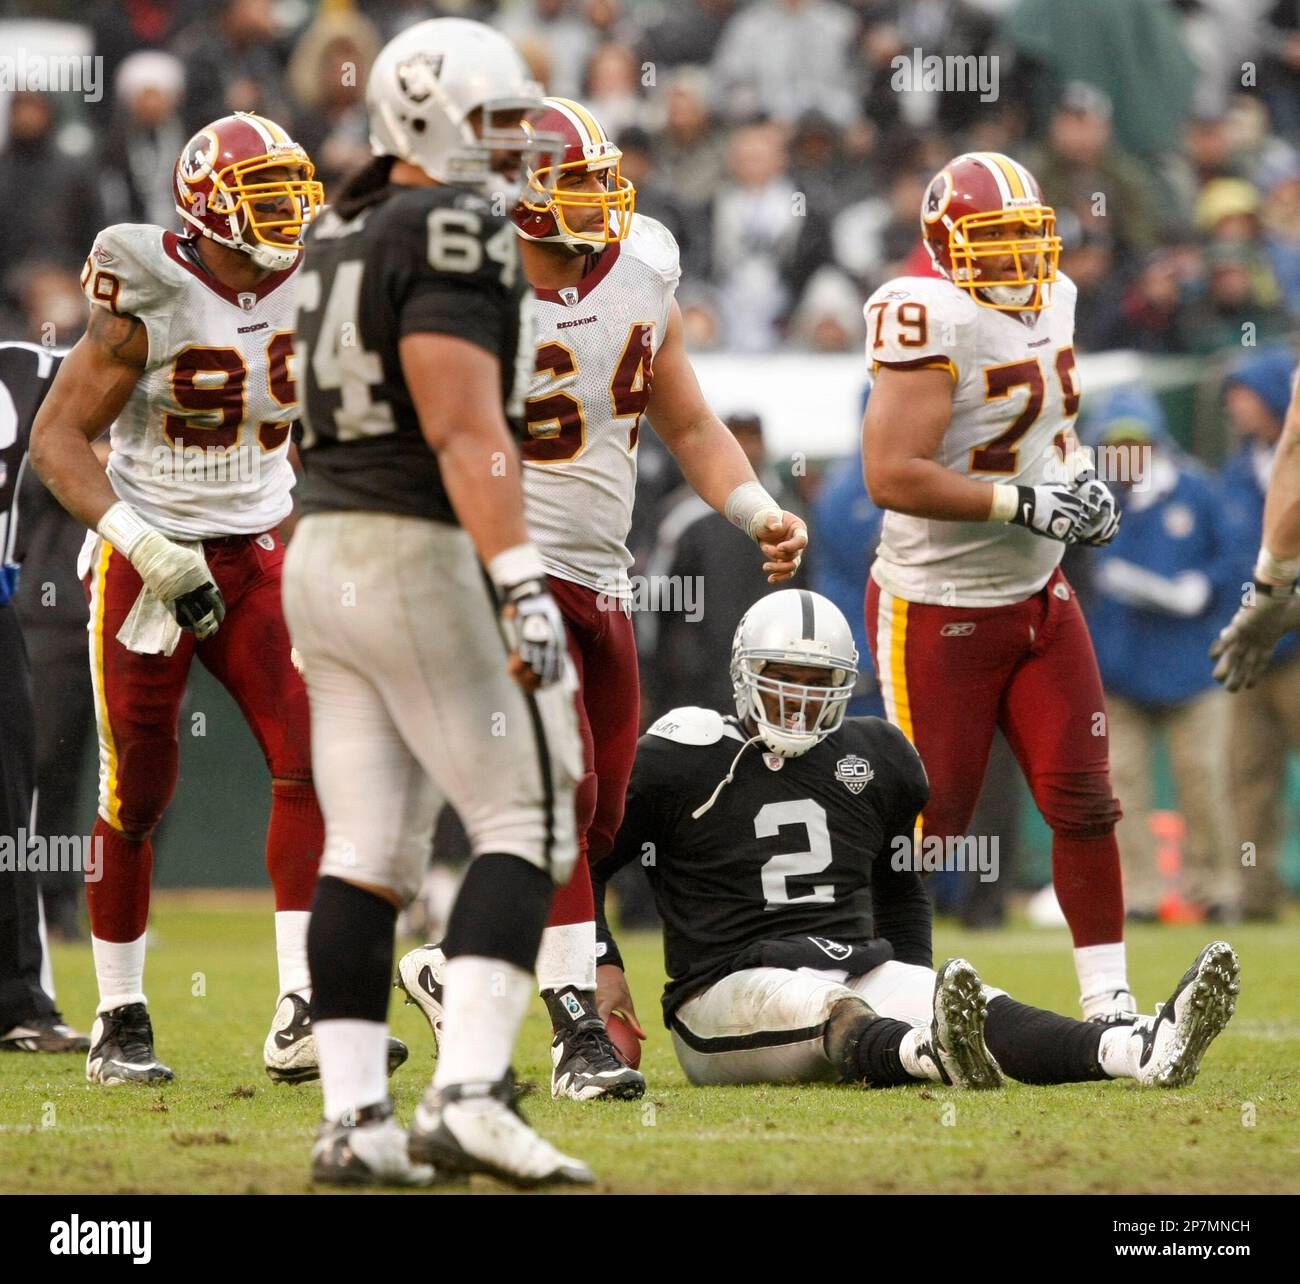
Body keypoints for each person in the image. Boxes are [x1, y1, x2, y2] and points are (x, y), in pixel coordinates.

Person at [394, 96, 809, 1103]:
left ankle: (459, 965)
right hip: (496, 575)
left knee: (599, 812)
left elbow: (691, 420)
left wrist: (754, 509)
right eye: (572, 183)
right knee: (553, 796)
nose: (599, 201)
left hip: (599, 575)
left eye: (600, 178)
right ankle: (576, 1034)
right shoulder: (463, 284)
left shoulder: (641, 264)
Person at [283, 18, 592, 1188]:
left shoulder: (343, 223)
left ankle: (355, 1123)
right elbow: (465, 425)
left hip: (323, 545)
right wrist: (518, 578)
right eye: (498, 123)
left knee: (366, 850)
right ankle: (466, 1094)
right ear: (426, 117)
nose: (513, 147)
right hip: (410, 547)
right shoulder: (452, 224)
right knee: (529, 808)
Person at [28, 112, 371, 1087]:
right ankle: (120, 1014)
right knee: (136, 793)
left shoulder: (313, 278)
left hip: (257, 550)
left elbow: (312, 421)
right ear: (212, 210)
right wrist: (138, 540)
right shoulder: (151, 283)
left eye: (296, 190)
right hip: (149, 556)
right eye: (267, 195)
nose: (293, 213)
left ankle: (302, 1006)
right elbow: (57, 441)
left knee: (309, 761)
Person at [590, 591, 1239, 1092]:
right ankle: (923, 1054)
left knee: (974, 1001)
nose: (798, 698)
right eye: (782, 675)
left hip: (853, 961)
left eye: (819, 682)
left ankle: (1139, 1051)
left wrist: (916, 982)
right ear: (744, 673)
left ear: (844, 685)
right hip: (722, 994)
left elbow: (900, 892)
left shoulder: (877, 757)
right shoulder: (685, 757)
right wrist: (603, 962)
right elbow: (585, 862)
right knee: (816, 1002)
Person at [860, 152, 1136, 1024]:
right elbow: (890, 473)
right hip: (937, 602)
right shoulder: (926, 315)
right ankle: (874, 988)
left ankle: (1110, 1002)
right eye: (995, 241)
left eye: (1027, 238)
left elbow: (1050, 430)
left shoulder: (1057, 299)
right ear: (946, 248)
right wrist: (1026, 502)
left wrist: (1079, 479)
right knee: (930, 824)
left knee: (1086, 799)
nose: (1019, 260)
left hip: (1039, 597)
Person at [1084, 389, 1240, 920]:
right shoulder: (1092, 498)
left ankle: (1216, 889)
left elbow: (1234, 557)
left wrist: (1204, 585)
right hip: (1118, 667)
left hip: (1192, 664)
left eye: (1136, 443)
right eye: (1115, 445)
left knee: (1203, 777)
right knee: (1121, 786)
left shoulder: (1196, 488)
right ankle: (1141, 894)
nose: (1126, 455)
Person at [0, 341, 90, 1054]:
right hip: (32, 605)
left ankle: (22, 994)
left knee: (18, 802)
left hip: (30, 606)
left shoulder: (40, 366)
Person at [1211, 349, 1300, 920]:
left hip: (1295, 652)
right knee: (1247, 780)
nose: (1236, 406)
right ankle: (1255, 896)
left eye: (1246, 392)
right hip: (1252, 650)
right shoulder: (1234, 473)